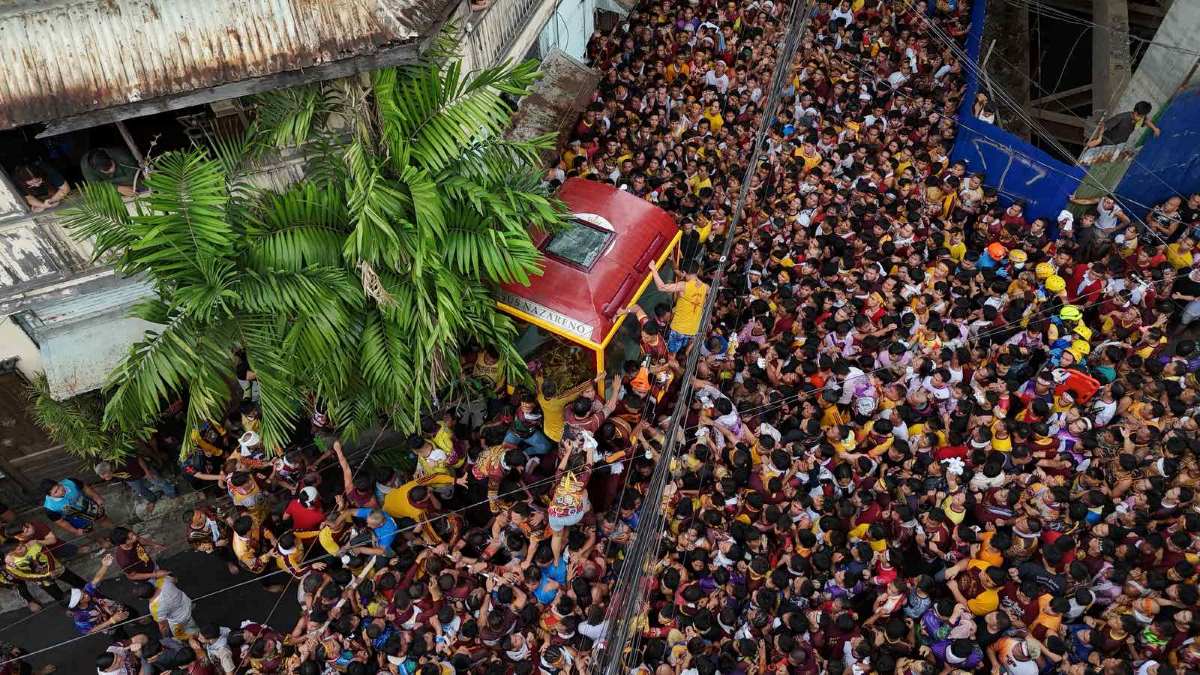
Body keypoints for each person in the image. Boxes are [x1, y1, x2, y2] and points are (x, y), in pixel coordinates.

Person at [68, 554, 131, 637]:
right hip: (108, 624)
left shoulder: (87, 591)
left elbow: (97, 578)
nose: (86, 595)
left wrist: (105, 565)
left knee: (132, 613)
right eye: (83, 597)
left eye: (83, 593)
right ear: (78, 603)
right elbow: (89, 631)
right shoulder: (79, 617)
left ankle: (136, 622)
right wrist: (111, 621)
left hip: (116, 608)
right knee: (121, 635)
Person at [95, 457, 178, 511]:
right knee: (140, 490)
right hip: (131, 478)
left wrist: (147, 472)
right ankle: (152, 499)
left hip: (143, 471)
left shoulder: (122, 463)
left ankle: (172, 494)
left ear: (109, 470)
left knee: (159, 482)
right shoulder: (110, 471)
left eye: (104, 475)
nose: (103, 478)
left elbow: (139, 459)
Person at [40, 476, 109, 538]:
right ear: (50, 495)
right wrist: (75, 531)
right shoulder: (50, 508)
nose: (60, 491)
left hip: (87, 504)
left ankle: (112, 530)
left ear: (59, 483)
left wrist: (96, 497)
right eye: (55, 492)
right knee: (89, 531)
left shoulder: (71, 482)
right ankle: (102, 542)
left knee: (102, 518)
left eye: (59, 487)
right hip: (74, 517)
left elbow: (84, 487)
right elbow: (61, 522)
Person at [134, 574, 198, 639]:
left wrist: (165, 636)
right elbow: (175, 580)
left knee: (182, 635)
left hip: (181, 619)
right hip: (187, 603)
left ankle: (192, 638)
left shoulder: (154, 608)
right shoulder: (163, 581)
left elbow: (163, 626)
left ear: (141, 599)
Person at [1087, 100, 1162, 147]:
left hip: (1119, 144)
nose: (1142, 118)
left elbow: (1146, 120)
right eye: (1141, 116)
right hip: (1104, 143)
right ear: (1136, 113)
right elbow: (1104, 126)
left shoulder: (1140, 118)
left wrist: (1155, 129)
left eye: (1143, 116)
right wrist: (1099, 139)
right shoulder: (1121, 117)